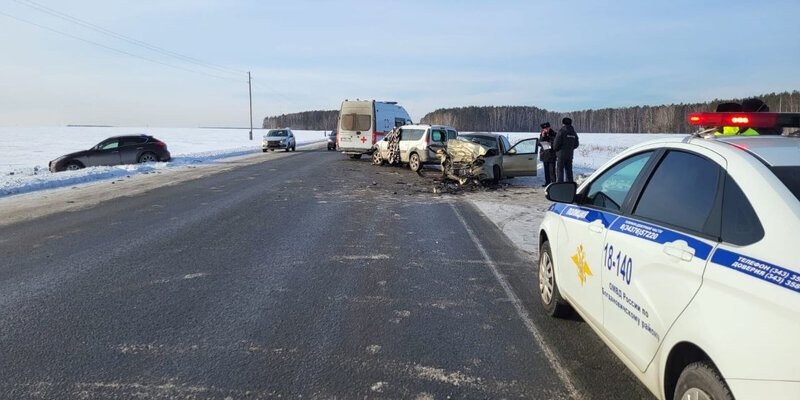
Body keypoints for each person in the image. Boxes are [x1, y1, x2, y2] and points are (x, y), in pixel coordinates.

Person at [553, 117, 579, 183]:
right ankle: (570, 185)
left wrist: (556, 149)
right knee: (569, 171)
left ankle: (560, 185)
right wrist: (570, 148)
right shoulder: (573, 133)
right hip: (570, 155)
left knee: (560, 171)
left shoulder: (561, 132)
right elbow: (576, 144)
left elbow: (556, 144)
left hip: (561, 155)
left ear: (563, 123)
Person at [538, 122, 557, 187]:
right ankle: (547, 183)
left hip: (551, 155)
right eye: (544, 129)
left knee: (552, 171)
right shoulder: (542, 134)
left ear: (549, 127)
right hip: (544, 155)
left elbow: (554, 144)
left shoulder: (554, 134)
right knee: (546, 171)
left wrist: (547, 144)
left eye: (546, 128)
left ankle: (553, 183)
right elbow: (539, 143)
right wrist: (543, 137)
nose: (545, 130)